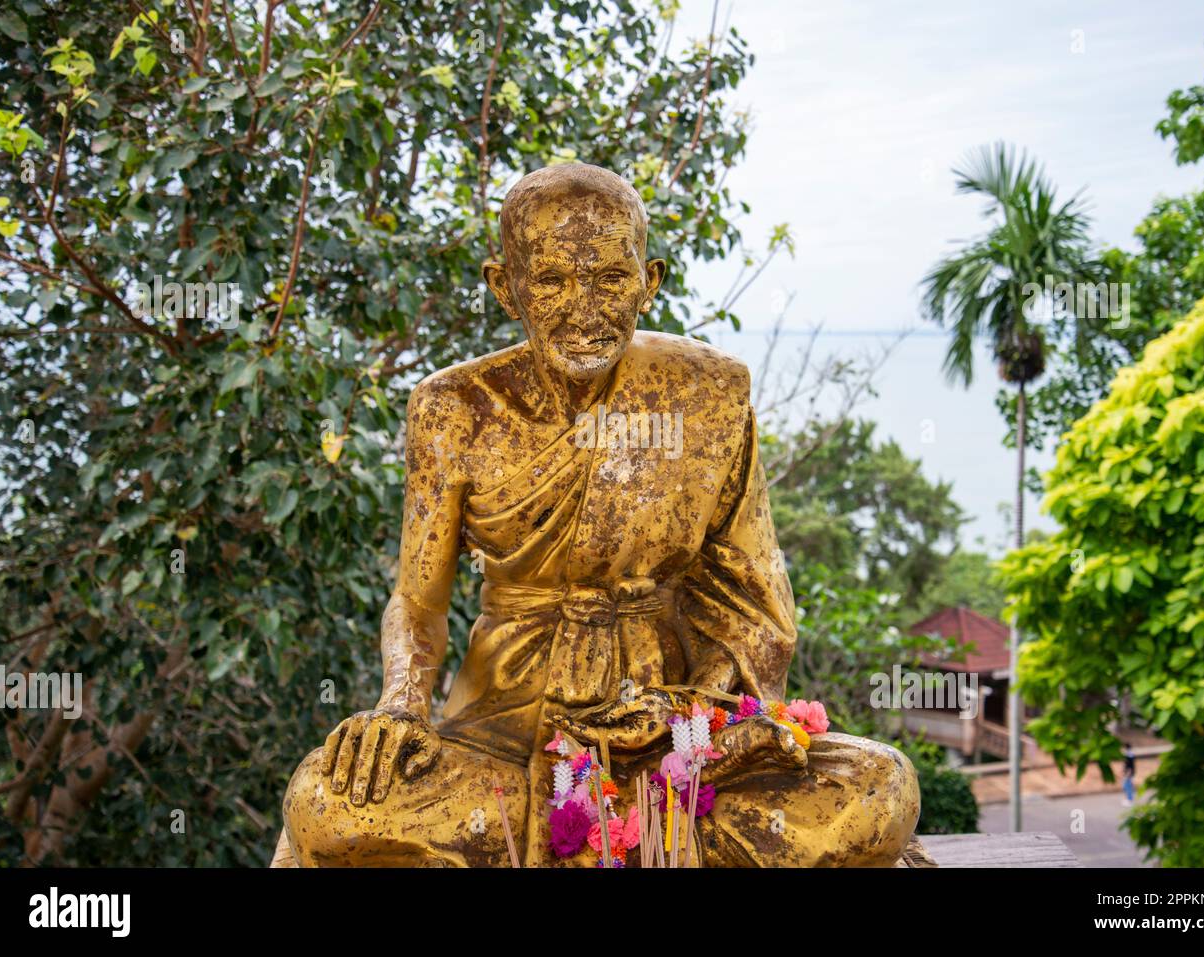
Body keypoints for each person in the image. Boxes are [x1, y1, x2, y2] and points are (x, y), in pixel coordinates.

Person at [272, 163, 919, 867]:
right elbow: (418, 602)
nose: (585, 308)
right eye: (550, 281)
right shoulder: (454, 408)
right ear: (505, 285)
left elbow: (750, 596)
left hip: (663, 729)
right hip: (500, 730)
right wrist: (400, 703)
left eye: (611, 278)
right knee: (326, 801)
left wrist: (700, 722)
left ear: (651, 280)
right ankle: (596, 833)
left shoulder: (709, 396)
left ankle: (579, 834)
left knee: (878, 788)